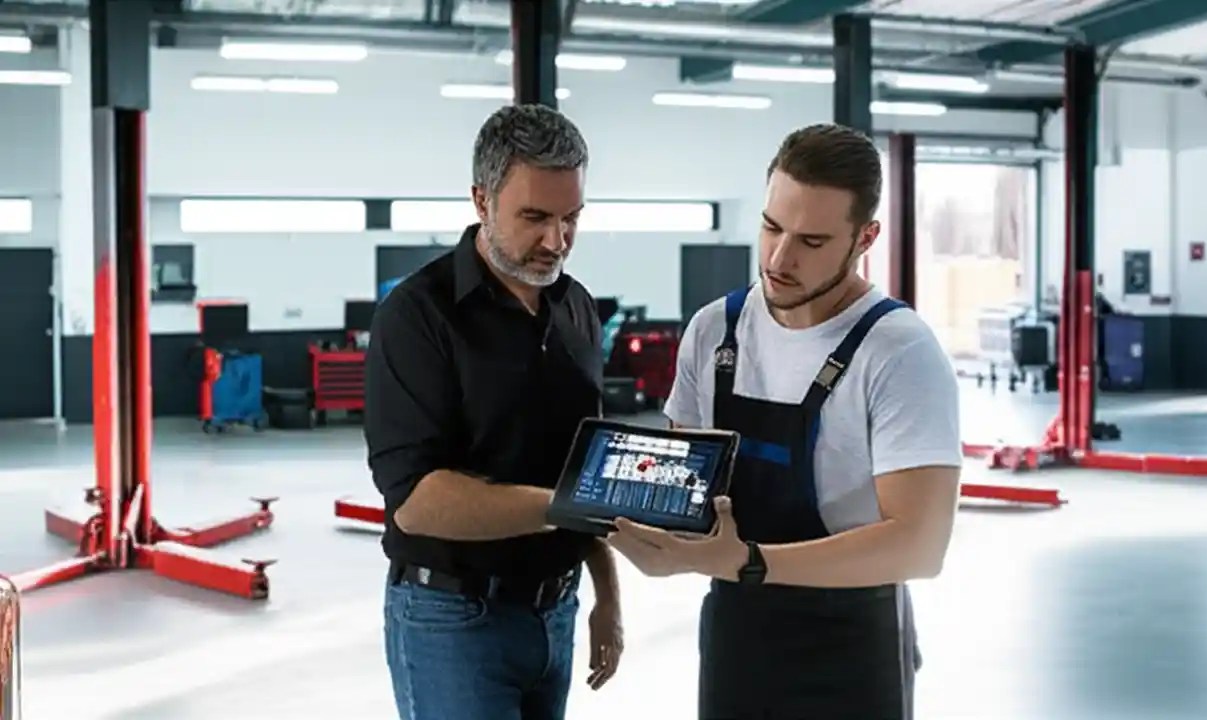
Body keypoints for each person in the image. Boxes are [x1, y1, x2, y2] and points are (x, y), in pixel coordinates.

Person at [607, 123, 962, 719]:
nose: (779, 258)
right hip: (737, 633)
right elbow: (686, 492)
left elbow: (919, 546)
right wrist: (638, 517)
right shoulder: (714, 332)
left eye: (813, 241)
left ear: (865, 237)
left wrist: (746, 560)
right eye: (772, 226)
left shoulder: (898, 351)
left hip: (852, 646)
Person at [364, 104, 624, 720]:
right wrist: (571, 504)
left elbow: (580, 462)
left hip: (556, 609)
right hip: (452, 622)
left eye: (571, 218)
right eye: (534, 217)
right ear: (481, 200)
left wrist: (607, 595)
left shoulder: (577, 308)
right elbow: (420, 501)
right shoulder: (416, 316)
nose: (556, 241)